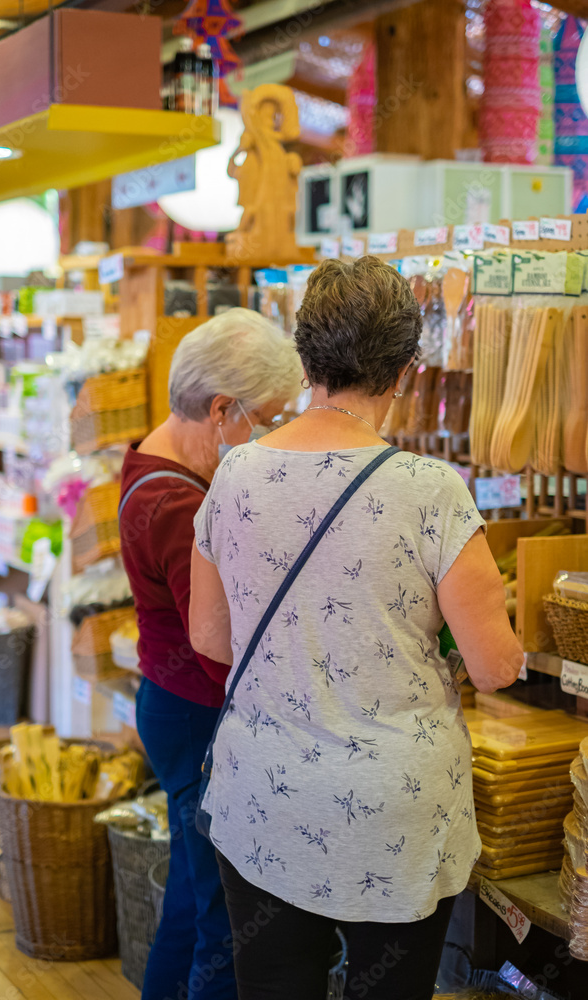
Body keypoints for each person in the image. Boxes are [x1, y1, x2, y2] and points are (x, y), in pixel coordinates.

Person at [189, 257, 524, 1000]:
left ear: (305, 356)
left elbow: (209, 639)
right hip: (392, 803)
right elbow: (496, 665)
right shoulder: (430, 490)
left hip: (265, 791)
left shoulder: (234, 474)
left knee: (273, 985)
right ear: (405, 369)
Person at [118, 308, 302, 1000]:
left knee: (194, 902)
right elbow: (218, 639)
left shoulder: (154, 459)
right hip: (198, 714)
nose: (271, 434)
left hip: (172, 705)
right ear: (222, 409)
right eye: (267, 418)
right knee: (222, 922)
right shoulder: (175, 502)